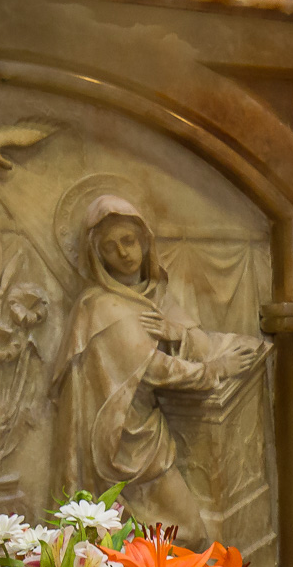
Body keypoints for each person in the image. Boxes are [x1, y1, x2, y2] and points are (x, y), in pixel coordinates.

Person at [52, 196, 266, 537]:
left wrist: (178, 333)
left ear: (144, 241)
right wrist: (218, 369)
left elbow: (196, 341)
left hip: (147, 434)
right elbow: (157, 369)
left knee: (158, 538)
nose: (122, 253)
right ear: (97, 258)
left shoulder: (154, 293)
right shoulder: (103, 307)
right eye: (109, 247)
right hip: (121, 442)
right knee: (188, 533)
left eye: (128, 240)